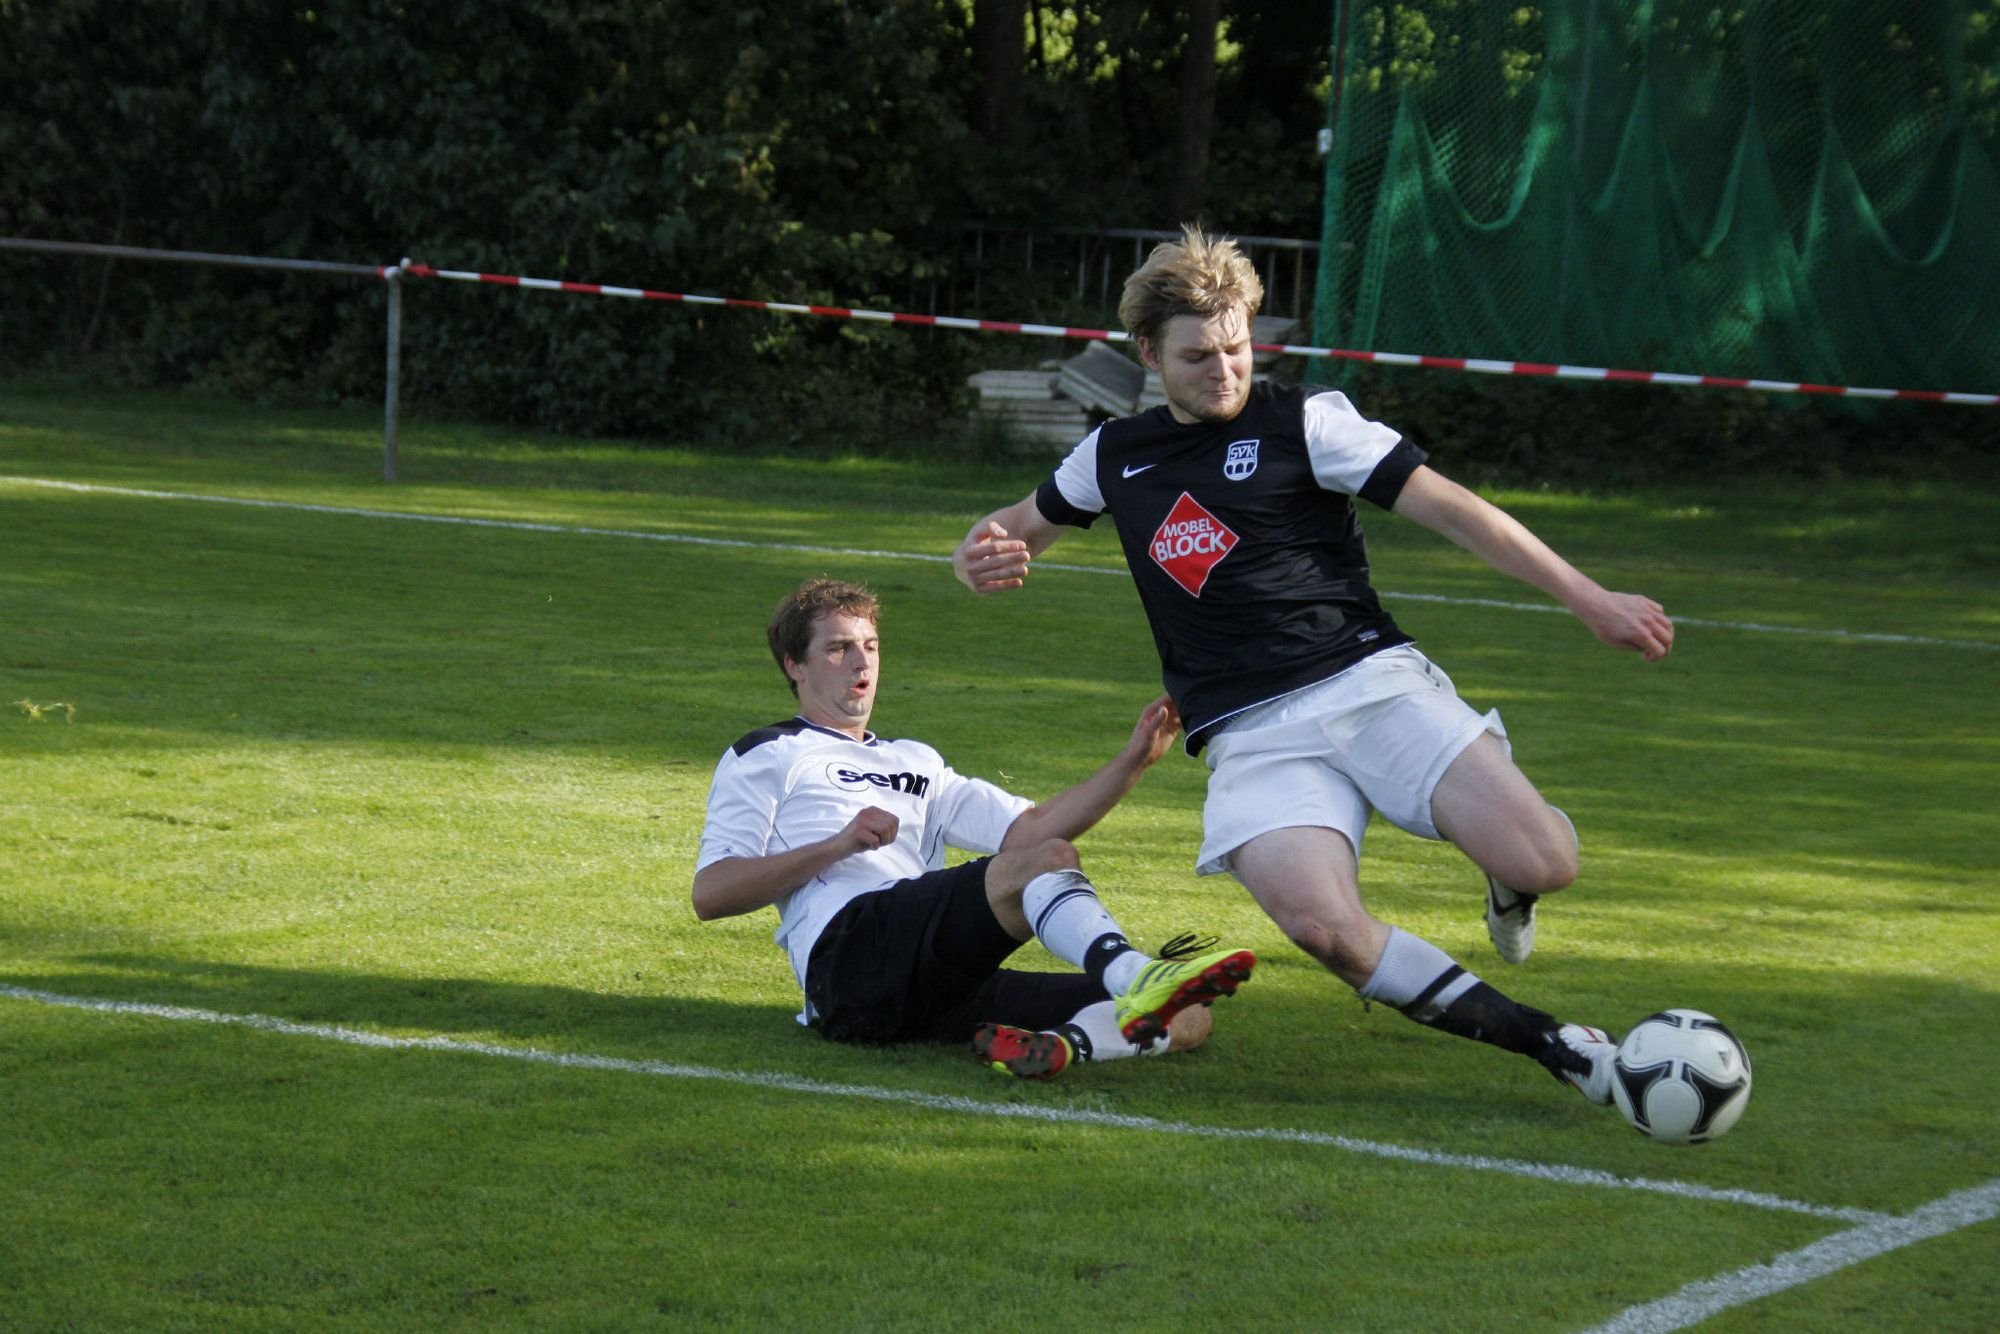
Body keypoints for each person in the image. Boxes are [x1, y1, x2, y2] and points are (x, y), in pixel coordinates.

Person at [951, 226, 1677, 1108]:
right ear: (1147, 353)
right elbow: (1013, 526)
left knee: (1548, 860)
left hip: (1367, 685)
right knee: (1324, 929)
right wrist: (977, 554)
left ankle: (1509, 874)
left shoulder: (1306, 420)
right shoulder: (1115, 456)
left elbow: (1454, 509)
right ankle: (1559, 1047)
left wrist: (1587, 597)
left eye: (1237, 348)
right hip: (1249, 735)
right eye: (1197, 356)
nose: (1223, 370)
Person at [693, 576, 1256, 1080]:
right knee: (1050, 860)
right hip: (850, 963)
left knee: (1189, 1016)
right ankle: (1134, 972)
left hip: (934, 983)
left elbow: (1031, 828)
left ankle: (1064, 1048)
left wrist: (1134, 761)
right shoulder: (767, 753)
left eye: (869, 646)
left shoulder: (917, 761)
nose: (861, 663)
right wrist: (836, 845)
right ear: (795, 665)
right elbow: (712, 893)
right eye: (838, 649)